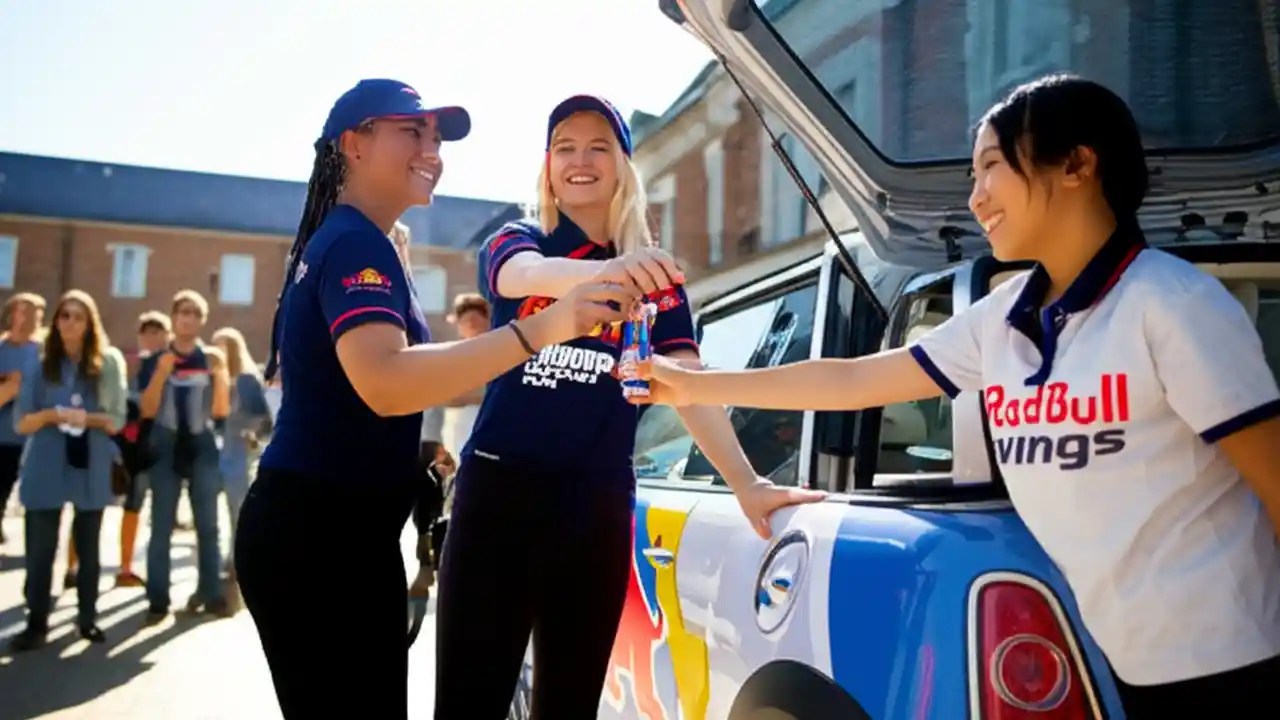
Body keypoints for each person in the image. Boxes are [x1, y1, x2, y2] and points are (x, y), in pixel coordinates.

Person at [638, 75, 1280, 719]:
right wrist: (693, 385)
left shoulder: (1173, 305)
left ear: (1078, 164)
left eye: (992, 168)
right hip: (1131, 666)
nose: (975, 199)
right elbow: (853, 379)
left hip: (1241, 660)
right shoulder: (1001, 319)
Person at [232, 78, 633, 720]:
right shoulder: (357, 243)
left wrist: (414, 456)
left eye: (437, 137)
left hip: (333, 529)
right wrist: (545, 327)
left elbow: (352, 395)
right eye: (411, 131)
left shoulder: (361, 240)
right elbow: (386, 384)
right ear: (354, 145)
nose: (433, 149)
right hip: (322, 539)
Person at [432, 94, 825, 720]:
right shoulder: (521, 239)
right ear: (548, 166)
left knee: (569, 703)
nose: (580, 160)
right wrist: (616, 269)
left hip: (595, 504)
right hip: (498, 498)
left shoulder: (658, 285)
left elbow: (689, 389)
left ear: (622, 165)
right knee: (468, 701)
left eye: (598, 147)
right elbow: (519, 277)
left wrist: (747, 483)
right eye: (565, 147)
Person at [8, 290, 126, 651]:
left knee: (88, 547)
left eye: (77, 316)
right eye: (63, 316)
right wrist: (51, 415)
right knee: (41, 549)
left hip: (89, 459)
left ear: (90, 323)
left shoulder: (106, 362)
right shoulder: (39, 363)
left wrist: (84, 418)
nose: (69, 323)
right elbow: (21, 423)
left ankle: (87, 619)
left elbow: (116, 420)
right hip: (46, 459)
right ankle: (36, 622)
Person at [137, 290, 231, 621]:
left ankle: (212, 594)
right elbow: (146, 411)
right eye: (182, 312)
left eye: (194, 313)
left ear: (202, 320)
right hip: (165, 443)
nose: (187, 318)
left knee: (208, 524)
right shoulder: (153, 360)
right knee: (161, 524)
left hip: (202, 443)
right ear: (174, 317)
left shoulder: (210, 358)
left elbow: (221, 411)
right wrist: (162, 372)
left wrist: (220, 375)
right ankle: (157, 601)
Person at [114, 310, 172, 587]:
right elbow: (128, 399)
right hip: (135, 445)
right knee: (129, 503)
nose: (153, 337)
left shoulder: (169, 362)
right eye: (147, 332)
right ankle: (124, 567)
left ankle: (134, 568)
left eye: (158, 331)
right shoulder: (136, 365)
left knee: (152, 508)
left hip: (160, 443)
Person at [210, 326, 268, 577]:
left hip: (238, 448)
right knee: (216, 508)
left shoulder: (246, 379)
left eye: (222, 346)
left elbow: (263, 415)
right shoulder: (212, 377)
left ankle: (239, 556)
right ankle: (225, 555)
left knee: (239, 506)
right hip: (213, 447)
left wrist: (250, 433)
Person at [0, 292, 44, 546]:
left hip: (34, 435)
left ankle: (36, 543)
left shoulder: (42, 352)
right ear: (12, 314)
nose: (28, 318)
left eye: (35, 313)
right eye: (23, 311)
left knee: (35, 493)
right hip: (4, 435)